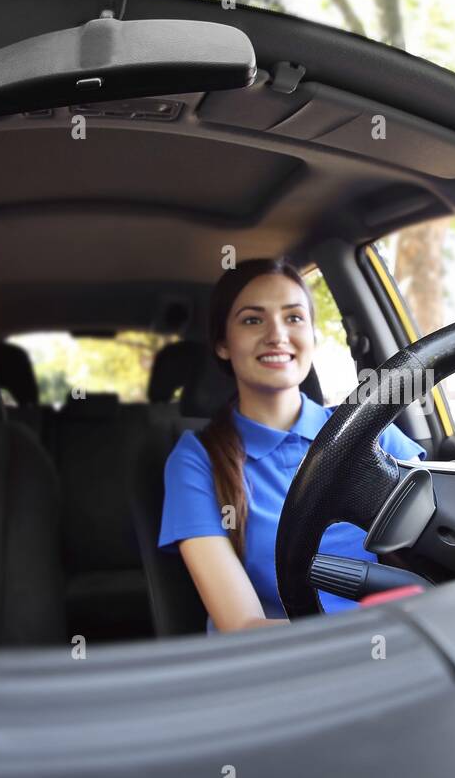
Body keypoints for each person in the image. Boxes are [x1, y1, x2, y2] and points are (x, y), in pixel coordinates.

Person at [158, 258, 426, 632]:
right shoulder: (196, 458)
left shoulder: (370, 429)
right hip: (288, 660)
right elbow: (242, 625)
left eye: (294, 318)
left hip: (401, 639)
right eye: (253, 319)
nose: (277, 335)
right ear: (222, 344)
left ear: (313, 336)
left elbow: (436, 534)